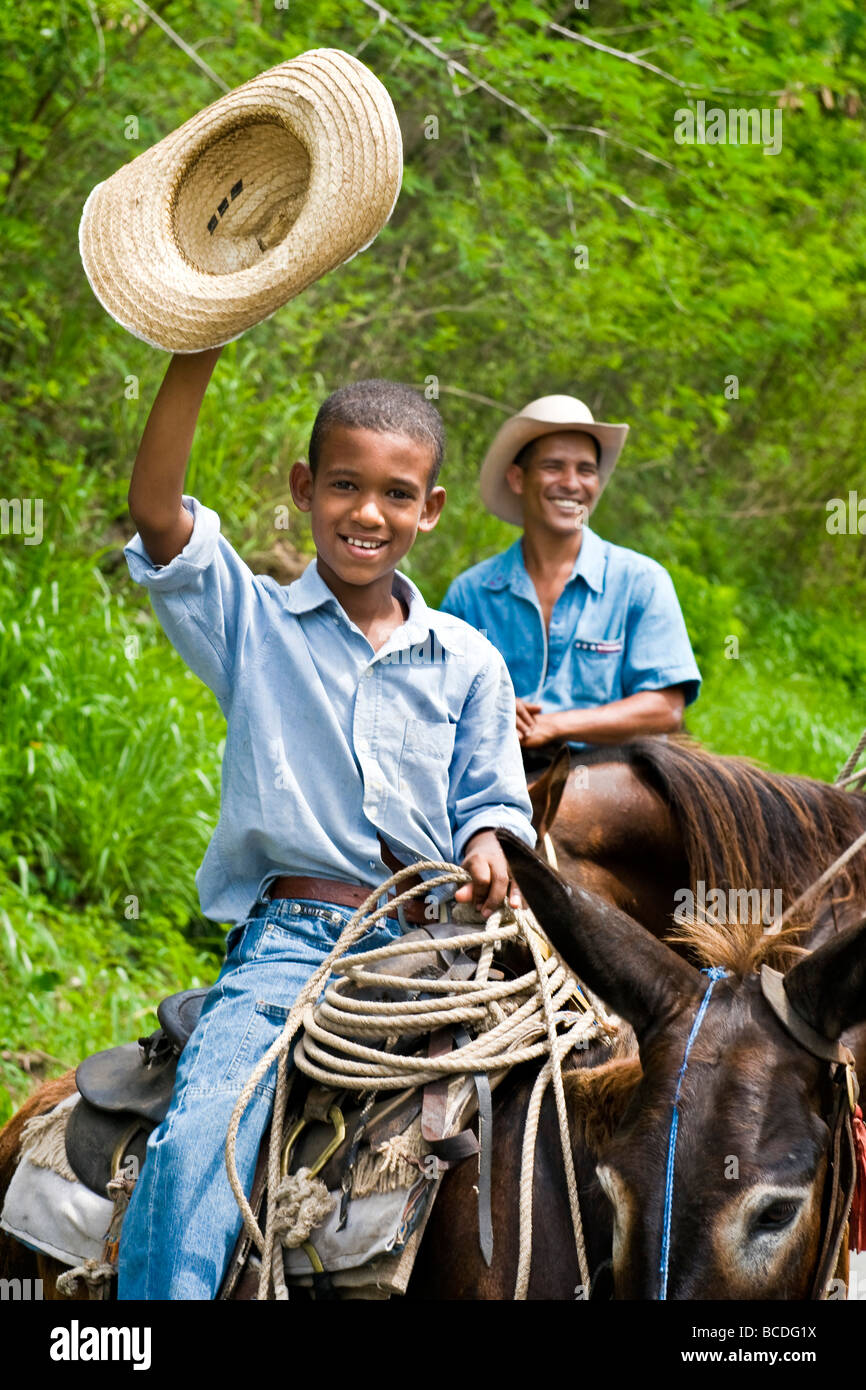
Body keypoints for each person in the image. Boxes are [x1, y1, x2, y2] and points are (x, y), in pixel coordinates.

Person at [117, 349, 535, 1299]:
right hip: (294, 947)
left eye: (396, 494)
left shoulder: (468, 658)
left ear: (428, 510)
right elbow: (158, 516)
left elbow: (496, 803)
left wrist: (486, 845)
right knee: (203, 1136)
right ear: (305, 490)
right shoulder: (252, 626)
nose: (368, 514)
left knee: (595, 1094)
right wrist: (198, 350)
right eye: (345, 486)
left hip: (444, 948)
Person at [440, 395, 701, 774]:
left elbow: (665, 708)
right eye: (553, 467)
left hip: (615, 782)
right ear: (517, 478)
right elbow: (436, 691)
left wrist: (553, 725)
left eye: (585, 470)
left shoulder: (640, 582)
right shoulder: (472, 593)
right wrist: (486, 705)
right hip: (500, 777)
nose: (571, 483)